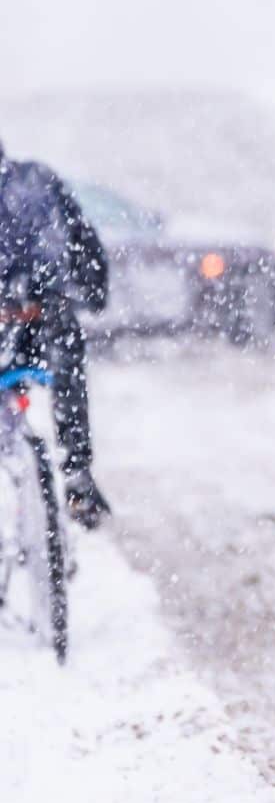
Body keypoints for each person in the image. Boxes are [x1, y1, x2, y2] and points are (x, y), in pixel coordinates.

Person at [0, 137, 111, 528]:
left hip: (27, 317)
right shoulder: (36, 179)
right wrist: (94, 291)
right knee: (67, 360)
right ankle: (77, 473)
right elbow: (83, 241)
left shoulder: (36, 182)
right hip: (41, 315)